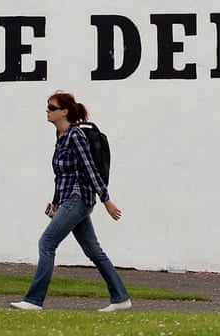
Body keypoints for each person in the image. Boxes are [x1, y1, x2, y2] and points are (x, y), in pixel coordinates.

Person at [10, 92, 132, 312]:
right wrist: (56, 202)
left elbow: (90, 169)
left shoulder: (75, 135)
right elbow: (62, 176)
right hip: (69, 199)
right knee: (94, 251)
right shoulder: (60, 137)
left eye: (51, 107)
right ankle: (121, 298)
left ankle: (34, 301)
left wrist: (106, 200)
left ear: (64, 112)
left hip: (79, 198)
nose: (47, 110)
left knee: (47, 243)